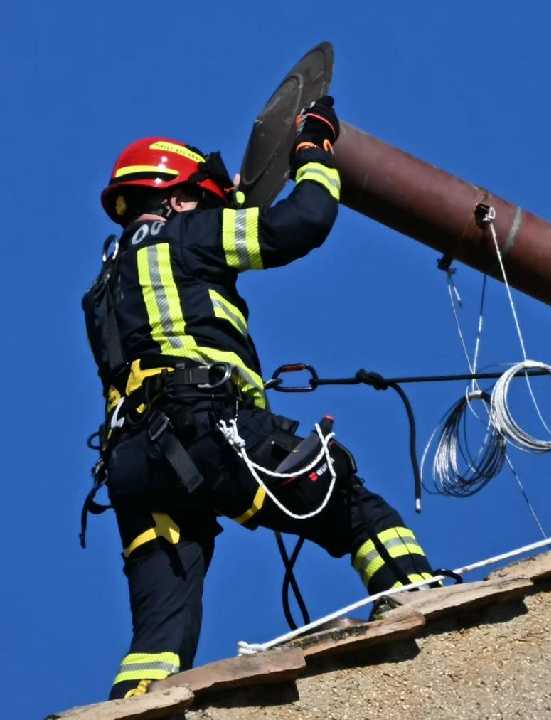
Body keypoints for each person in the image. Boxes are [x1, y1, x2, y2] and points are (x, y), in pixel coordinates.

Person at [83, 97, 434, 699]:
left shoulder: (102, 288)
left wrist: (233, 202)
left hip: (135, 468)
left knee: (157, 636)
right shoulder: (189, 235)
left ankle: (136, 707)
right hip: (205, 428)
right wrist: (313, 151)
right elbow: (303, 221)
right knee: (347, 499)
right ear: (177, 197)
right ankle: (430, 605)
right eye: (206, 196)